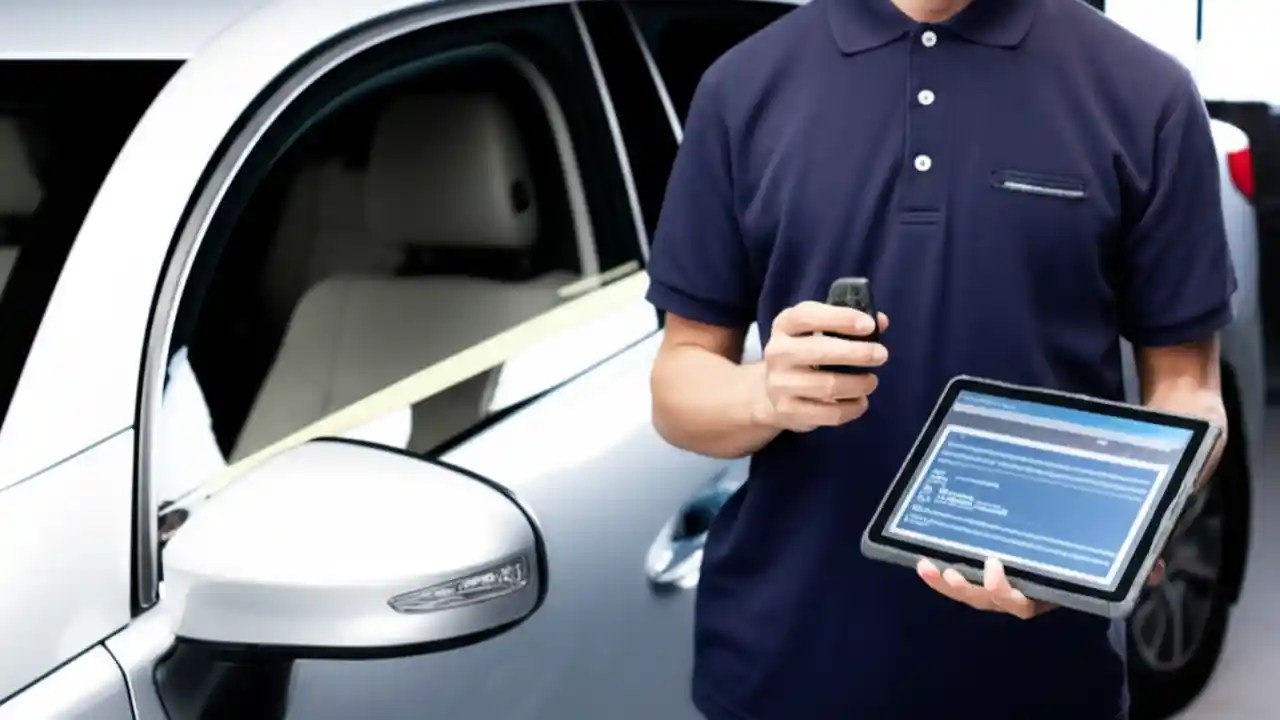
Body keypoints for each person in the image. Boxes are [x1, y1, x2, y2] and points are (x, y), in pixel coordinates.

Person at [645, 0, 1232, 717]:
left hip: (1040, 675)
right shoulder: (743, 87)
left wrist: (1130, 531)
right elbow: (680, 382)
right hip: (784, 665)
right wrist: (765, 393)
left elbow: (1188, 390)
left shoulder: (1145, 92)